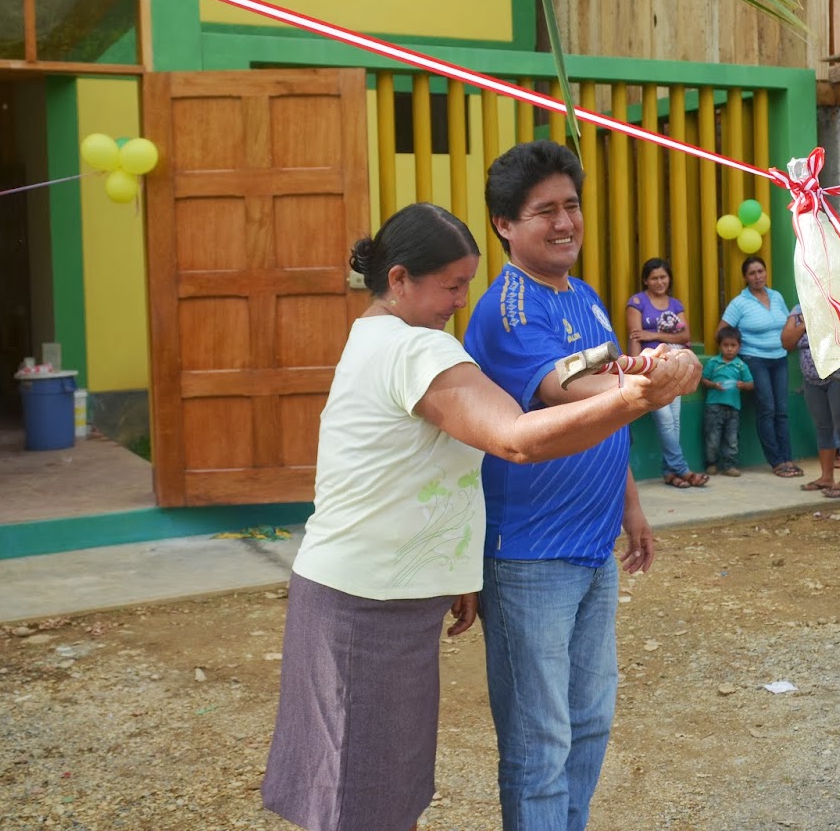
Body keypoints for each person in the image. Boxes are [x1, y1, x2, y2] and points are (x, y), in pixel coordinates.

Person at [262, 202, 697, 831]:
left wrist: (456, 570)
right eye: (452, 285)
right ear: (401, 279)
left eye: (468, 284)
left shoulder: (398, 339)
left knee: (383, 786)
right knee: (360, 793)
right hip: (364, 602)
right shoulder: (412, 350)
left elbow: (450, 459)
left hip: (381, 593)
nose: (463, 300)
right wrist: (633, 397)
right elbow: (517, 438)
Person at [464, 141, 698, 831]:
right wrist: (649, 384)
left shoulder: (587, 295)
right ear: (505, 223)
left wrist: (631, 508)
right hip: (529, 555)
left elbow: (606, 415)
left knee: (590, 719)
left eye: (572, 205)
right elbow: (564, 390)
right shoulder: (507, 308)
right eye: (545, 211)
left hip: (593, 546)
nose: (565, 221)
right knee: (541, 740)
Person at [718, 255, 804, 478]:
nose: (757, 277)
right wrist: (736, 349)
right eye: (752, 273)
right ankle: (776, 462)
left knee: (782, 412)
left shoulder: (776, 297)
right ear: (745, 277)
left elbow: (788, 324)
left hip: (779, 357)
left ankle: (788, 459)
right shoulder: (740, 302)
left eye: (760, 271)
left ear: (766, 273)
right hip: (754, 359)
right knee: (767, 410)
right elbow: (722, 330)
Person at [627, 257, 701, 487]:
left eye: (663, 277)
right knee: (666, 421)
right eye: (654, 278)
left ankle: (670, 474)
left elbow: (685, 336)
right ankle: (683, 469)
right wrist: (633, 369)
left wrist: (653, 335)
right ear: (645, 280)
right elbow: (635, 337)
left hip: (676, 366)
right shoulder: (637, 302)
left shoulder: (675, 304)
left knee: (675, 422)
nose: (659, 282)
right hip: (651, 367)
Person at [793, 312, 840, 499]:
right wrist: (803, 325)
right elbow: (785, 342)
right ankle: (826, 477)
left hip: (838, 377)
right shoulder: (798, 310)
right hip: (811, 380)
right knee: (823, 427)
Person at [701, 325, 754, 477]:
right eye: (725, 345)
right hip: (714, 405)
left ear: (739, 346)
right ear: (719, 346)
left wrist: (743, 385)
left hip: (733, 407)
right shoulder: (713, 363)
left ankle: (729, 465)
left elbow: (751, 384)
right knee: (712, 437)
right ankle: (711, 463)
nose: (729, 349)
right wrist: (713, 385)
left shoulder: (740, 365)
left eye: (733, 345)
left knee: (732, 438)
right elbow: (703, 379)